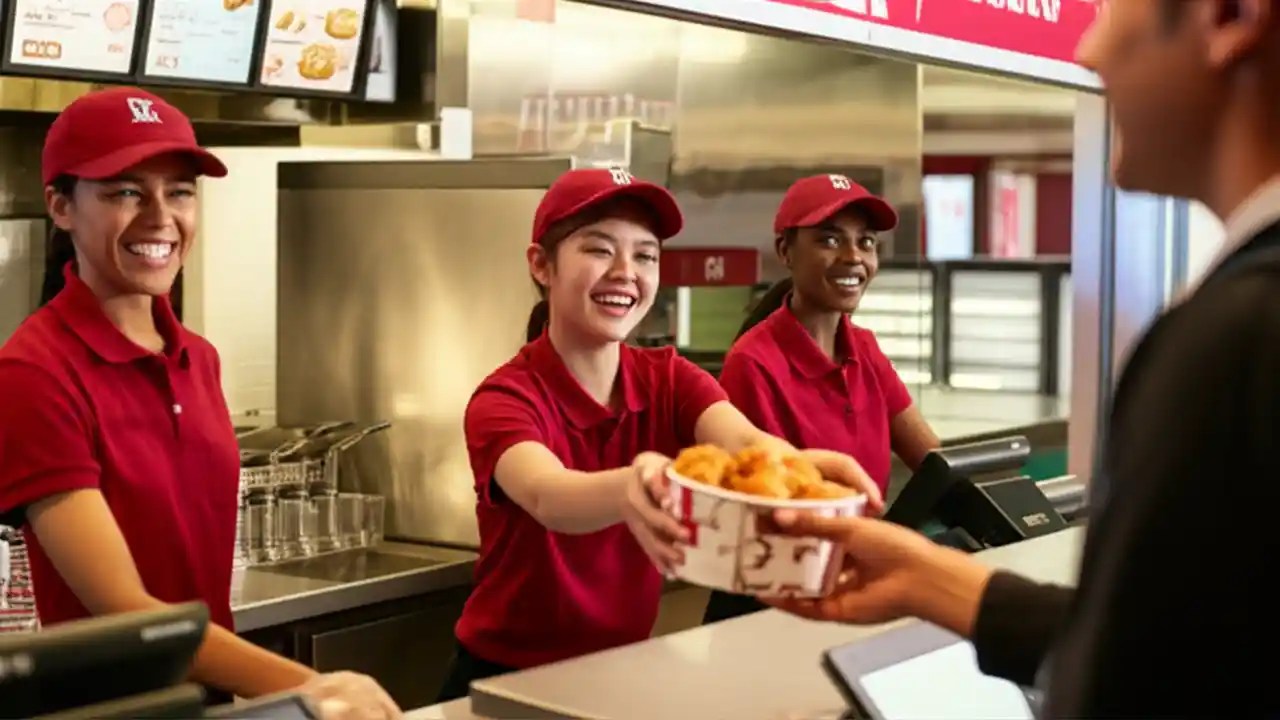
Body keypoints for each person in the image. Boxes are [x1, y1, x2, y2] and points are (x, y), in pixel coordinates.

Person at [765, 0, 1280, 716]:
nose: (1087, 52)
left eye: (1113, 11)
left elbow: (1144, 684)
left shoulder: (1235, 336)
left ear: (1230, 16)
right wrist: (936, 581)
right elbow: (1188, 650)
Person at [0, 87, 400, 720]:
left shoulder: (198, 359)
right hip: (104, 712)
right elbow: (126, 611)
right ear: (61, 206)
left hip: (202, 702)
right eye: (124, 191)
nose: (160, 217)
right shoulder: (33, 372)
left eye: (180, 191)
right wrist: (308, 683)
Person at [436, 167, 885, 702]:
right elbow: (547, 494)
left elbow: (744, 443)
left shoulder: (670, 378)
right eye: (599, 250)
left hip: (623, 669)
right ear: (541, 265)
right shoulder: (506, 399)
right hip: (503, 682)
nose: (626, 272)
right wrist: (634, 485)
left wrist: (800, 470)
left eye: (645, 255)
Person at [701, 175, 941, 624]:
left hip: (854, 583)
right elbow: (764, 509)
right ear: (786, 251)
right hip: (776, 603)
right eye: (829, 240)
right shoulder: (753, 362)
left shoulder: (865, 349)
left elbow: (935, 462)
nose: (854, 258)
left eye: (865, 242)